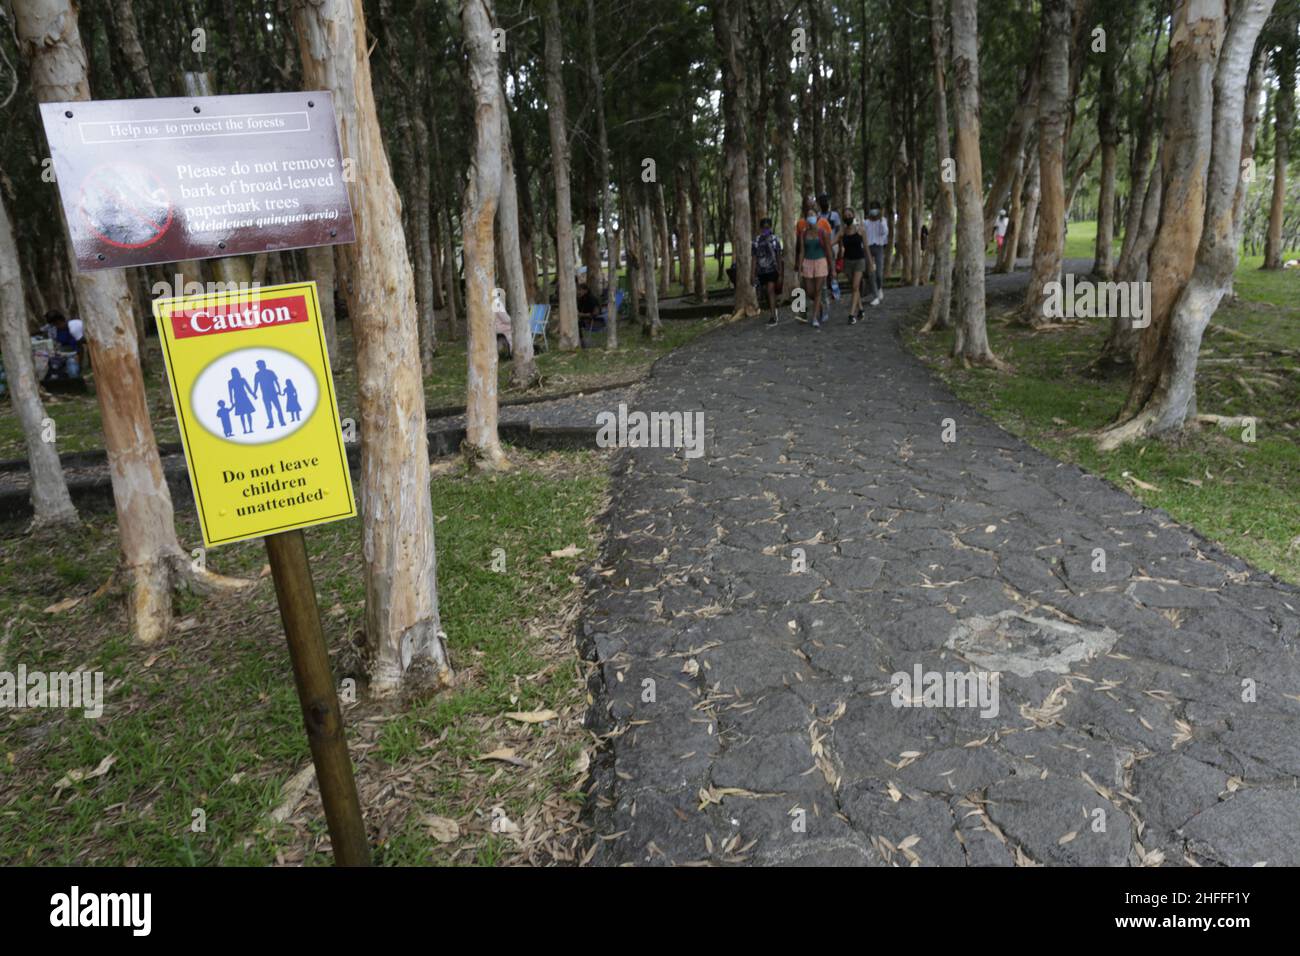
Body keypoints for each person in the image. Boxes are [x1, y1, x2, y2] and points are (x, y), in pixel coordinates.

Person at [795, 198, 834, 330]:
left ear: (817, 216)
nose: (810, 217)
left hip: (820, 262)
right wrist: (799, 266)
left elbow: (829, 251)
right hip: (807, 262)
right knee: (809, 290)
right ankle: (821, 306)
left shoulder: (822, 232)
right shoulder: (804, 233)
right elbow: (801, 251)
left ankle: (815, 317)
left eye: (812, 215)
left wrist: (832, 269)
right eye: (808, 215)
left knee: (817, 291)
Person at [750, 217, 783, 326]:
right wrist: (752, 273)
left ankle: (773, 316)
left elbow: (779, 256)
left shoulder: (775, 240)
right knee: (766, 292)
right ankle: (773, 309)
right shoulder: (756, 241)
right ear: (760, 228)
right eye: (763, 228)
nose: (765, 230)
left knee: (770, 290)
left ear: (770, 227)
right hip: (761, 271)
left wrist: (780, 273)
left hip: (772, 270)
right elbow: (754, 258)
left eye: (767, 228)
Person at [838, 208, 868, 325]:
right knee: (854, 288)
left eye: (849, 215)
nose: (848, 217)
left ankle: (851, 314)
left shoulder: (860, 230)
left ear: (853, 216)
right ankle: (861, 309)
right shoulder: (842, 232)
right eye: (845, 215)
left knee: (855, 286)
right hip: (848, 262)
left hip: (859, 261)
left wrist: (870, 262)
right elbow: (832, 242)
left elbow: (866, 247)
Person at [816, 194, 842, 306]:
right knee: (824, 269)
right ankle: (826, 291)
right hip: (821, 247)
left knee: (833, 268)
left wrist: (840, 247)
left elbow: (839, 232)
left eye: (826, 201)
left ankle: (834, 289)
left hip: (833, 245)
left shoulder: (835, 215)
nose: (825, 204)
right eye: (823, 202)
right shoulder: (817, 217)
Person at [864, 205, 889, 306]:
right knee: (870, 273)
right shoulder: (865, 222)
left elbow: (884, 232)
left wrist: (881, 219)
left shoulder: (883, 221)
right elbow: (864, 235)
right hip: (868, 248)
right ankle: (875, 296)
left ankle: (879, 288)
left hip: (879, 247)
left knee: (879, 272)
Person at [252, 359, 286, 430]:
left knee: (278, 408)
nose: (258, 366)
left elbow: (276, 382)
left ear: (263, 365)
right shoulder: (257, 374)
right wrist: (254, 393)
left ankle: (282, 421)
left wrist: (279, 390)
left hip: (273, 393)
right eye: (258, 365)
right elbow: (256, 385)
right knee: (268, 409)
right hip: (265, 394)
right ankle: (271, 422)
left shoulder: (270, 372)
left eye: (259, 365)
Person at [227, 367, 257, 434]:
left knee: (248, 413)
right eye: (233, 372)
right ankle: (245, 429)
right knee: (242, 414)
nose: (234, 373)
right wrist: (231, 400)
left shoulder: (242, 380)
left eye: (235, 372)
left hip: (244, 397)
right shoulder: (230, 382)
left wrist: (253, 395)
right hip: (238, 399)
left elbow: (248, 388)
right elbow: (230, 392)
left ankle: (250, 428)